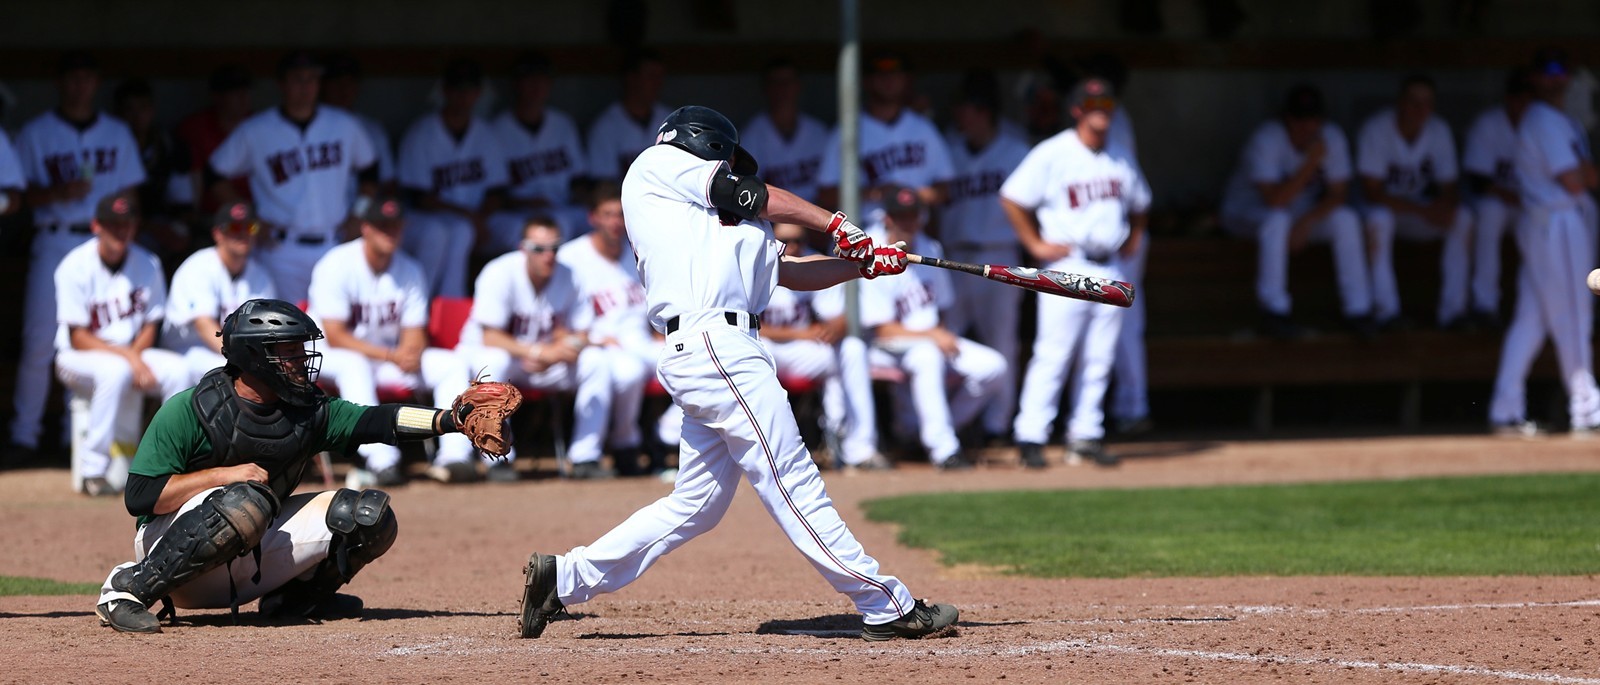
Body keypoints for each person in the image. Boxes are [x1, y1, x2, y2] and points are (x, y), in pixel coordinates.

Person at [517, 105, 958, 642]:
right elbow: (754, 194)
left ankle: (564, 577)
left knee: (695, 505)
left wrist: (864, 265)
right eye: (726, 158)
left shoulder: (714, 226)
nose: (733, 168)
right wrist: (839, 224)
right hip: (712, 343)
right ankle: (886, 604)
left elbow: (790, 272)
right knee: (791, 478)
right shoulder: (657, 165)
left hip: (724, 349)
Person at [94, 297, 506, 633]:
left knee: (368, 515)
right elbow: (141, 496)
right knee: (246, 499)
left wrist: (450, 421)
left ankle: (295, 598)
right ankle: (129, 590)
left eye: (300, 349)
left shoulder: (309, 409)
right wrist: (222, 476)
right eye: (287, 351)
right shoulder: (189, 409)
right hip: (170, 560)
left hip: (248, 551)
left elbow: (375, 420)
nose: (299, 360)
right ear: (254, 356)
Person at [1004, 78, 1150, 469]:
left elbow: (1141, 202)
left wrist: (1134, 234)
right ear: (1078, 109)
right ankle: (1031, 434)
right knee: (1054, 352)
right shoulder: (1053, 152)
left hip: (1110, 263)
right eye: (1093, 104)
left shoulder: (1119, 155)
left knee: (1099, 357)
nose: (1100, 110)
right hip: (1068, 263)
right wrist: (1034, 245)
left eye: (1106, 103)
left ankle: (1085, 434)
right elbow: (1013, 197)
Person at [11, 51, 147, 457]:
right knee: (40, 341)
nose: (79, 85)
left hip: (105, 244)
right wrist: (56, 193)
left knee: (102, 337)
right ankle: (24, 435)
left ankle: (78, 440)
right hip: (56, 236)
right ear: (60, 83)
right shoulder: (36, 132)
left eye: (87, 78)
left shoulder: (116, 133)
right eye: (72, 78)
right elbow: (17, 193)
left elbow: (132, 193)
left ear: (95, 83)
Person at [307, 196, 481, 485]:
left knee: (451, 364)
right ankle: (380, 461)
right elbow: (335, 335)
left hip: (385, 357)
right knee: (355, 364)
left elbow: (415, 328)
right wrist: (392, 355)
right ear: (366, 228)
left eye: (395, 226)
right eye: (382, 226)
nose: (390, 232)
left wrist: (411, 351)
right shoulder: (336, 264)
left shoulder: (409, 269)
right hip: (332, 356)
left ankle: (455, 457)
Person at [207, 51, 379, 305]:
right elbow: (214, 174)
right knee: (285, 327)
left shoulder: (343, 124)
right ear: (282, 84)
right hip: (280, 248)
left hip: (335, 241)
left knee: (332, 328)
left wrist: (359, 213)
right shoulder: (256, 129)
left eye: (312, 79)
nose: (306, 87)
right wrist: (251, 218)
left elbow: (371, 170)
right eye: (298, 79)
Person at [1489, 47, 1600, 436]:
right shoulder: (1544, 119)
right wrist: (1589, 173)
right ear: (1535, 78)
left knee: (1530, 321)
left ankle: (1505, 409)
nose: (1557, 78)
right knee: (1574, 314)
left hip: (1549, 224)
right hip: (1556, 224)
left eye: (1562, 71)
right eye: (1549, 71)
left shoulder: (1560, 119)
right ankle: (1587, 409)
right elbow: (1574, 180)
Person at [861, 186, 1008, 470]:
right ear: (887, 219)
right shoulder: (873, 252)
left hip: (927, 339)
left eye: (913, 215)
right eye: (901, 216)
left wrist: (937, 334)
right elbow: (882, 330)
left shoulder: (930, 247)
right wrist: (933, 336)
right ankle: (944, 450)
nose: (908, 222)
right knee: (927, 355)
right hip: (881, 347)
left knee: (994, 366)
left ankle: (928, 432)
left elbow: (940, 310)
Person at [54, 192, 189, 496]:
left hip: (132, 352)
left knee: (178, 371)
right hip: (78, 357)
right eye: (113, 224)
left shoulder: (148, 263)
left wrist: (134, 357)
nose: (121, 230)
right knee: (115, 371)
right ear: (96, 226)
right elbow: (78, 337)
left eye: (126, 223)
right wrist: (131, 358)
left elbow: (150, 325)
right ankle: (94, 471)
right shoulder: (74, 266)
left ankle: (172, 464)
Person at [1219, 83, 1375, 340]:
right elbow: (1274, 200)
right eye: (1300, 119)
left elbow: (1339, 194)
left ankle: (1358, 309)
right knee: (1277, 220)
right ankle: (1275, 310)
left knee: (1346, 219)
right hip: (1245, 211)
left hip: (1298, 214)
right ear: (1288, 119)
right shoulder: (1266, 139)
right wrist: (1310, 162)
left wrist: (1307, 222)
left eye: (1313, 119)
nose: (1307, 126)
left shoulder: (1331, 137)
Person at [460, 216, 612, 479]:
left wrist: (567, 346)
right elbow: (490, 337)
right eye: (539, 249)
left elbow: (583, 332)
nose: (548, 256)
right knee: (494, 360)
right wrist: (539, 352)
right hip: (499, 362)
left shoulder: (570, 275)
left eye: (554, 248)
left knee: (596, 361)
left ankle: (585, 456)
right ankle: (497, 457)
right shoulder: (499, 272)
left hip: (547, 362)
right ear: (523, 248)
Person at [942, 69, 1030, 442]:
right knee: (945, 341)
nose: (959, 114)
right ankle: (939, 424)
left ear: (983, 111)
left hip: (1000, 255)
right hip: (955, 258)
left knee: (1002, 343)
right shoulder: (948, 147)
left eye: (965, 108)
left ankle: (997, 424)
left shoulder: (1016, 150)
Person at [1357, 75, 1476, 330]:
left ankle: (1453, 312)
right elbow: (1372, 193)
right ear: (1400, 103)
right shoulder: (1377, 129)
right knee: (1379, 219)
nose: (1420, 110)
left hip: (1419, 212)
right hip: (1388, 211)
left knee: (1463, 217)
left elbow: (1449, 187)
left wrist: (1444, 206)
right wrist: (1423, 210)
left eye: (1427, 103)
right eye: (1414, 102)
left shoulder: (1438, 129)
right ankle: (1385, 311)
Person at [555, 184, 656, 476]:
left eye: (620, 215)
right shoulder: (570, 257)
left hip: (641, 340)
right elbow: (556, 316)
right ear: (593, 218)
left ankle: (665, 437)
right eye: (607, 214)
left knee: (695, 363)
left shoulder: (640, 252)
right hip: (598, 343)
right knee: (629, 371)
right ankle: (625, 445)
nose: (615, 222)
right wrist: (589, 339)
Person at [397, 58, 508, 298]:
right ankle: (418, 304)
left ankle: (451, 303)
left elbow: (497, 191)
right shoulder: (422, 132)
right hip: (421, 220)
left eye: (469, 89)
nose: (463, 96)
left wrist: (478, 219)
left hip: (467, 221)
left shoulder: (485, 133)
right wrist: (472, 217)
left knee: (461, 230)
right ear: (445, 91)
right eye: (458, 89)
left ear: (478, 93)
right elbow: (419, 198)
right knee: (439, 232)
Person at [816, 52, 954, 222]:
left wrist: (906, 196)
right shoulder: (847, 131)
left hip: (914, 230)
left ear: (906, 80)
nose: (889, 80)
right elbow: (825, 193)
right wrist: (874, 193)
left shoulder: (923, 128)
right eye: (881, 75)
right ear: (867, 81)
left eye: (895, 74)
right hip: (866, 230)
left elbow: (945, 188)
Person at [162, 201, 278, 383]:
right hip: (186, 349)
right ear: (218, 233)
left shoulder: (261, 275)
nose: (243, 233)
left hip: (229, 352)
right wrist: (242, 359)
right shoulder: (198, 266)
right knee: (231, 373)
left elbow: (267, 329)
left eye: (250, 226)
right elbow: (204, 325)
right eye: (235, 227)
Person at [488, 50, 591, 248]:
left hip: (560, 207)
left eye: (542, 80)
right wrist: (524, 203)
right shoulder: (496, 130)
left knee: (593, 220)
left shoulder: (563, 124)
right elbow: (493, 194)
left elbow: (579, 181)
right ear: (517, 84)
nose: (536, 87)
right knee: (539, 230)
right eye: (529, 80)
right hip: (515, 214)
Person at [1463, 67, 1537, 331]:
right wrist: (1518, 197)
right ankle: (1485, 305)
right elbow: (1478, 181)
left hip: (1531, 207)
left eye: (1531, 99)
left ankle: (1534, 308)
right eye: (1521, 98)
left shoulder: (1544, 126)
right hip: (1501, 204)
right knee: (1490, 212)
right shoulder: (1489, 124)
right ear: (1510, 99)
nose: (1526, 105)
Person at [112, 78, 188, 265]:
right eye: (130, 109)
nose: (137, 116)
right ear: (119, 113)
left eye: (143, 108)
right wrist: (148, 227)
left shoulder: (167, 144)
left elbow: (185, 204)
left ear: (152, 110)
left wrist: (176, 228)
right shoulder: (109, 147)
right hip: (119, 224)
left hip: (162, 221)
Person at [741, 58, 830, 203]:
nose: (783, 88)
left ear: (798, 86)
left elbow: (833, 187)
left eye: (788, 82)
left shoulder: (818, 131)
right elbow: (748, 194)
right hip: (773, 217)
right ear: (766, 88)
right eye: (776, 83)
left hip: (819, 214)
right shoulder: (752, 135)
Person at [173, 64, 254, 217]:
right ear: (217, 96)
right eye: (235, 92)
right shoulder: (195, 128)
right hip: (210, 217)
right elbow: (193, 183)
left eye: (246, 90)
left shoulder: (261, 127)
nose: (243, 97)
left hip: (258, 216)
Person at [585, 48, 671, 184]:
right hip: (624, 203)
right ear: (632, 78)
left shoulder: (671, 119)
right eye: (651, 76)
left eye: (660, 77)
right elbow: (603, 185)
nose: (657, 83)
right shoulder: (606, 126)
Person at [320, 52, 398, 197]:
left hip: (361, 213)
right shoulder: (308, 129)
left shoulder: (372, 130)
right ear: (323, 86)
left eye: (349, 82)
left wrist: (360, 213)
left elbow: (387, 183)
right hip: (318, 214)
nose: (343, 89)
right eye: (337, 82)